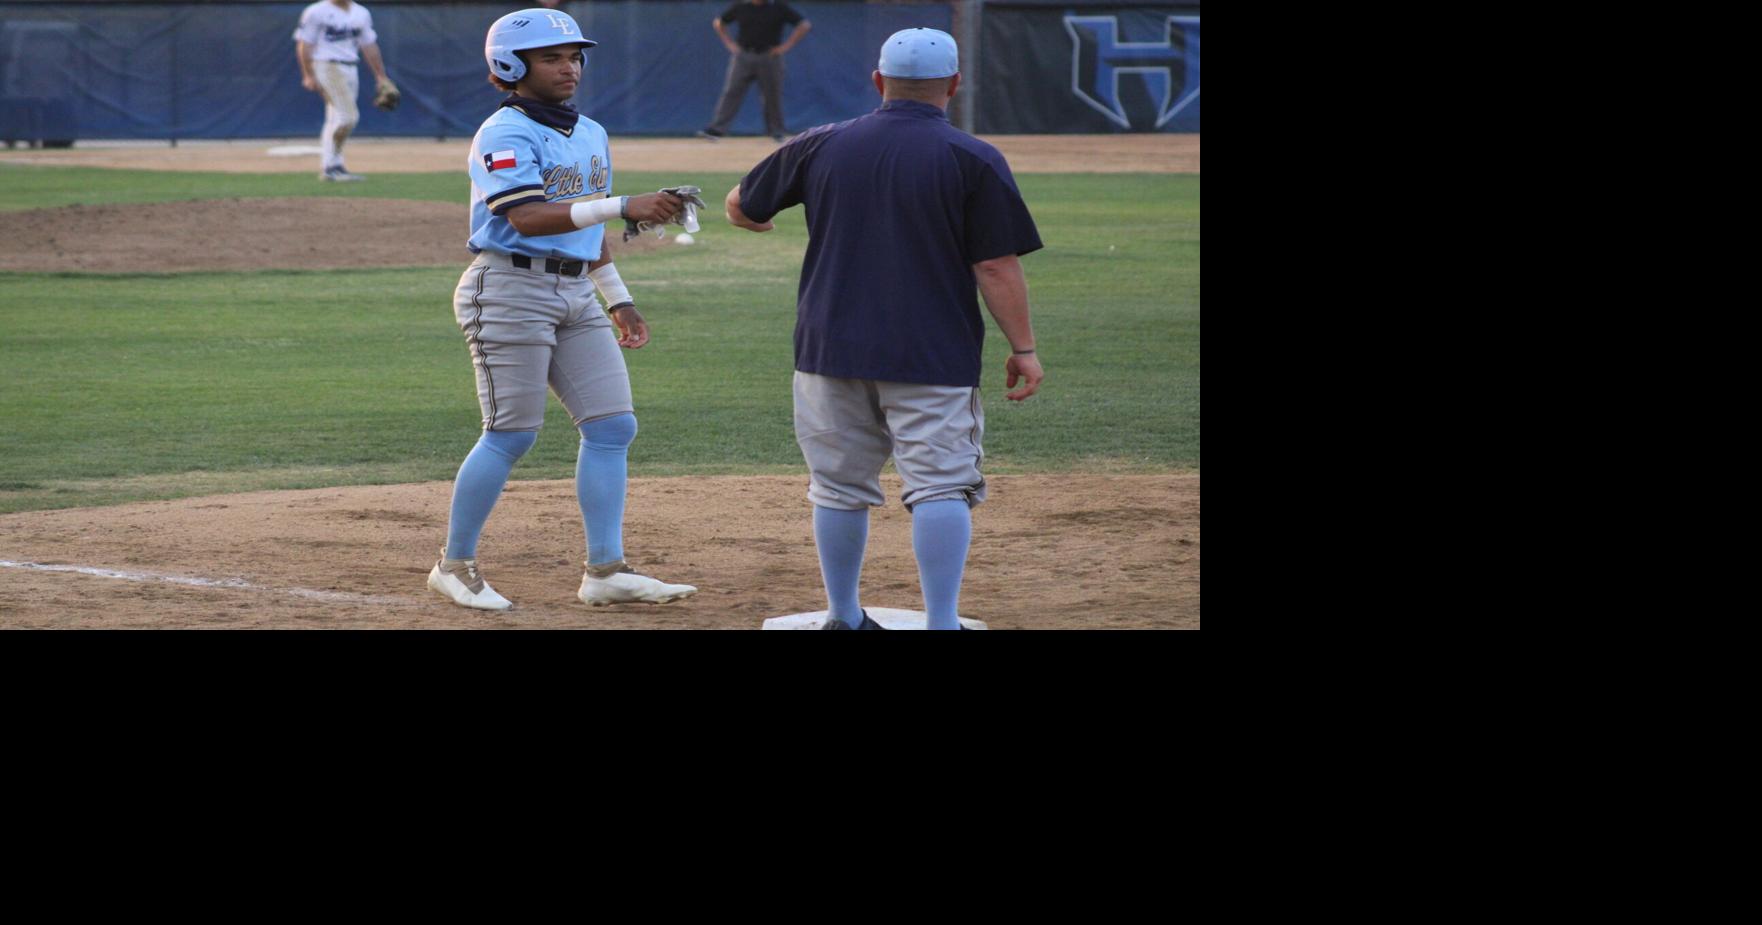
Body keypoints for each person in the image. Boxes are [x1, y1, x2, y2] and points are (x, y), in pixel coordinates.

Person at [724, 28, 1044, 631]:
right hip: (932, 352)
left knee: (838, 488)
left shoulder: (822, 143)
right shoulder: (972, 156)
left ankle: (843, 616)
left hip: (828, 348)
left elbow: (741, 203)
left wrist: (754, 222)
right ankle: (942, 622)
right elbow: (996, 264)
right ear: (954, 84)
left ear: (878, 82)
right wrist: (1023, 348)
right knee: (940, 487)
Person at [426, 8, 698, 612]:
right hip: (507, 291)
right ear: (510, 66)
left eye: (574, 55)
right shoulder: (504, 131)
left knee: (611, 426)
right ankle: (454, 564)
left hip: (575, 292)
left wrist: (618, 297)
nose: (569, 66)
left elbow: (584, 220)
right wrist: (626, 204)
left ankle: (605, 570)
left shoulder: (590, 130)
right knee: (510, 434)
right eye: (551, 57)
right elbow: (525, 217)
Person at [293, 0, 393, 182]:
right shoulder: (316, 11)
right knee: (348, 117)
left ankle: (332, 166)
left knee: (334, 118)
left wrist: (380, 76)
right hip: (326, 65)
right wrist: (308, 74)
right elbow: (304, 44)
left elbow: (369, 46)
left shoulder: (361, 13)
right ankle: (332, 164)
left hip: (351, 67)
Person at [696, 0, 811, 143]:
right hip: (743, 55)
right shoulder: (741, 6)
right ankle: (716, 130)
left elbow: (804, 25)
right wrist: (730, 44)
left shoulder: (778, 7)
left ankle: (776, 131)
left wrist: (785, 47)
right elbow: (719, 23)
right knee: (731, 91)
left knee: (772, 95)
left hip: (769, 56)